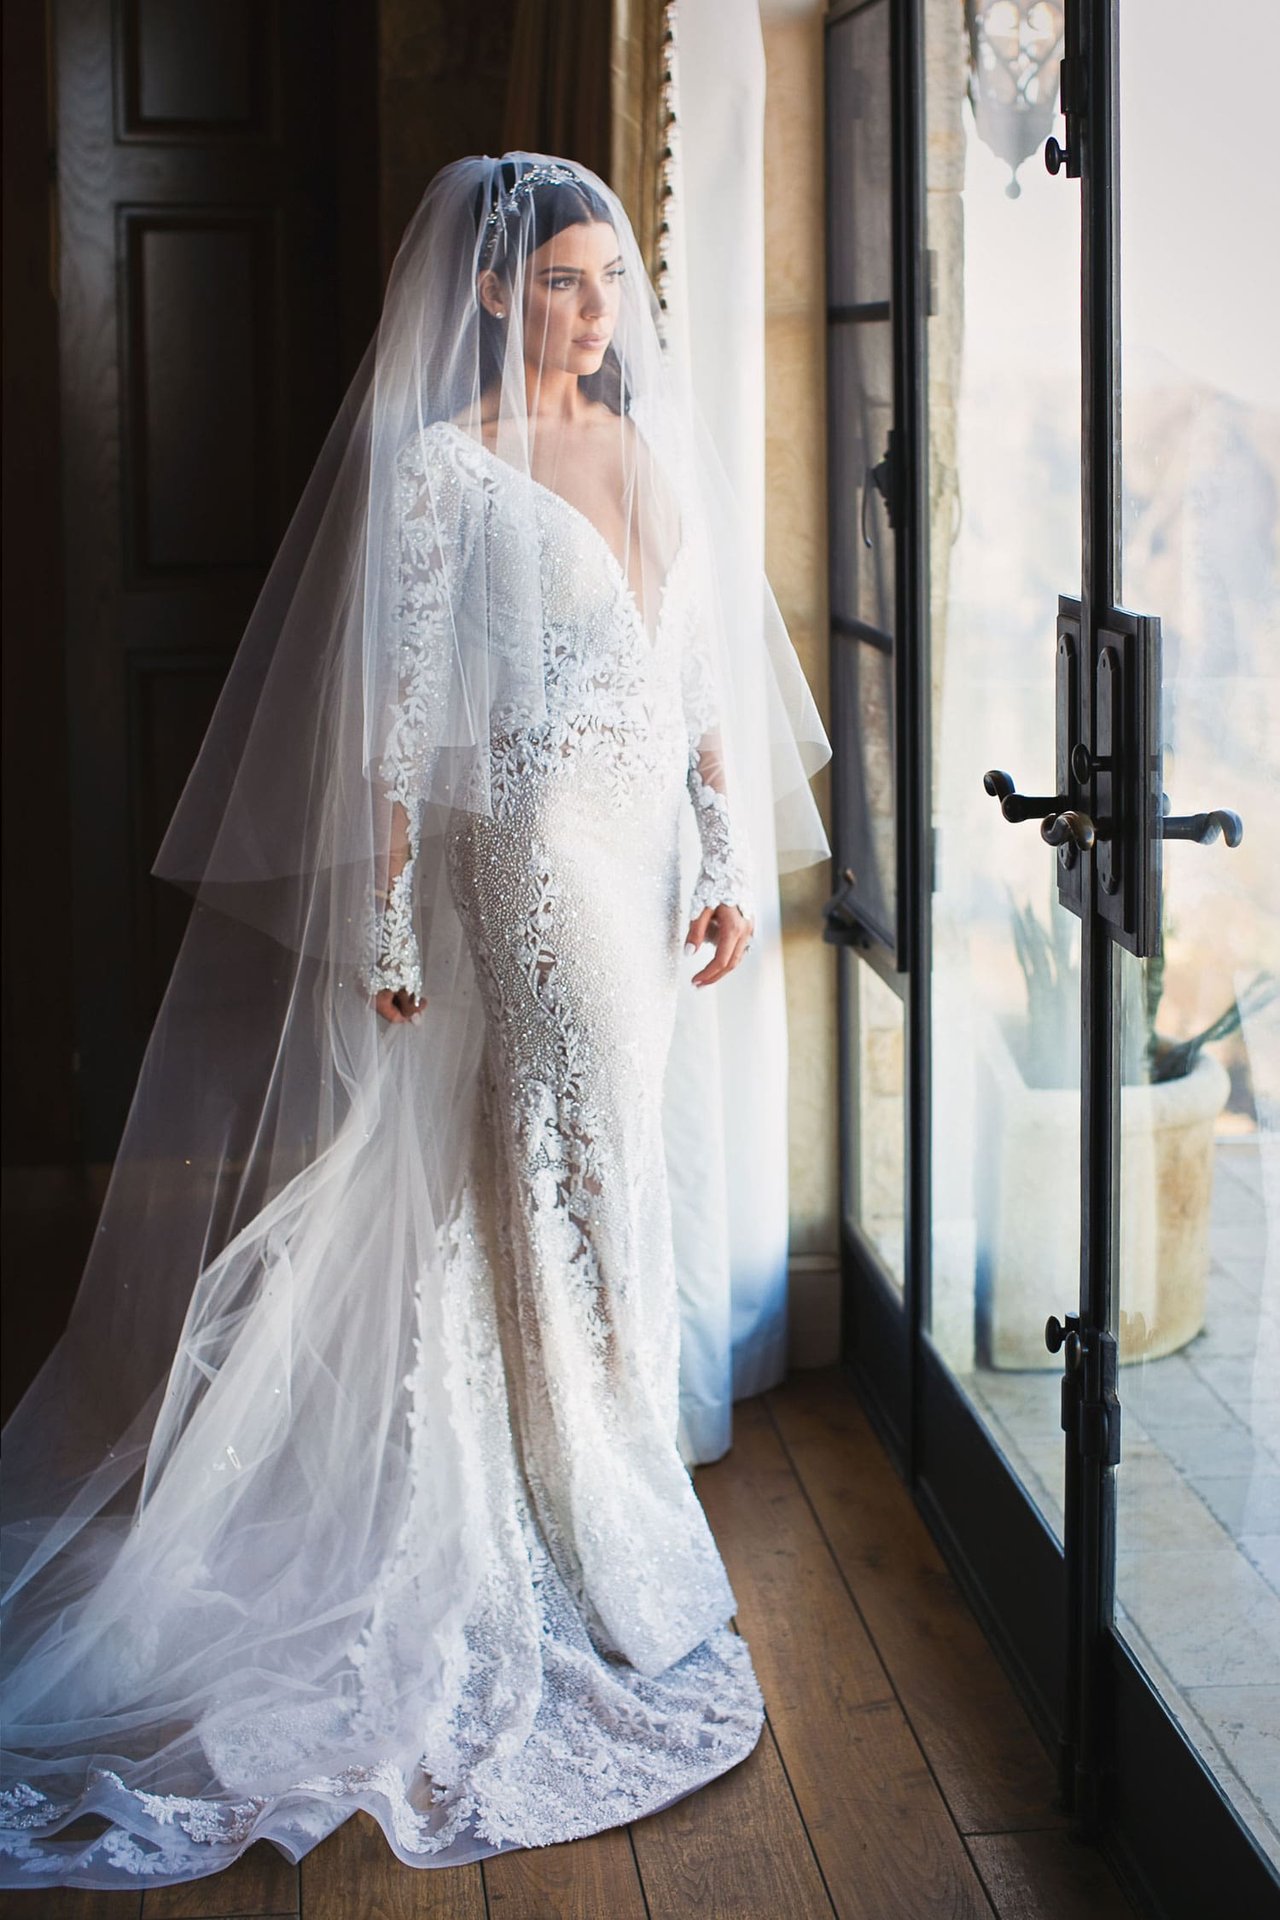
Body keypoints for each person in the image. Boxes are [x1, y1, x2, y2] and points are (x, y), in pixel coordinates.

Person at [0, 153, 830, 1887]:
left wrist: (729, 857)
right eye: (569, 286)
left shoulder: (640, 450)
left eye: (614, 283)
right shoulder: (442, 472)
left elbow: (692, 684)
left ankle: (572, 1476)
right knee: (563, 1151)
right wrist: (386, 915)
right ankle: (578, 1518)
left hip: (635, 849)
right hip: (519, 859)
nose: (602, 318)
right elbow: (395, 717)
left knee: (584, 1164)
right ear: (493, 291)